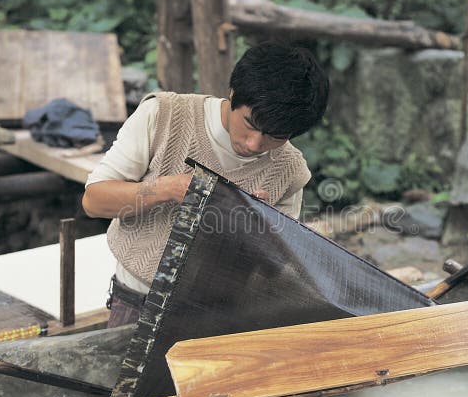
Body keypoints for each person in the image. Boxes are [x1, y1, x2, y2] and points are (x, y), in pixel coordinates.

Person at [82, 41, 330, 327]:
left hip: (221, 316)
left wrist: (260, 229)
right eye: (250, 124)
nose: (255, 144)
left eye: (275, 136)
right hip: (137, 301)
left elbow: (275, 268)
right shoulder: (164, 115)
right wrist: (165, 190)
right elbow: (93, 201)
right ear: (233, 94)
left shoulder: (289, 169)